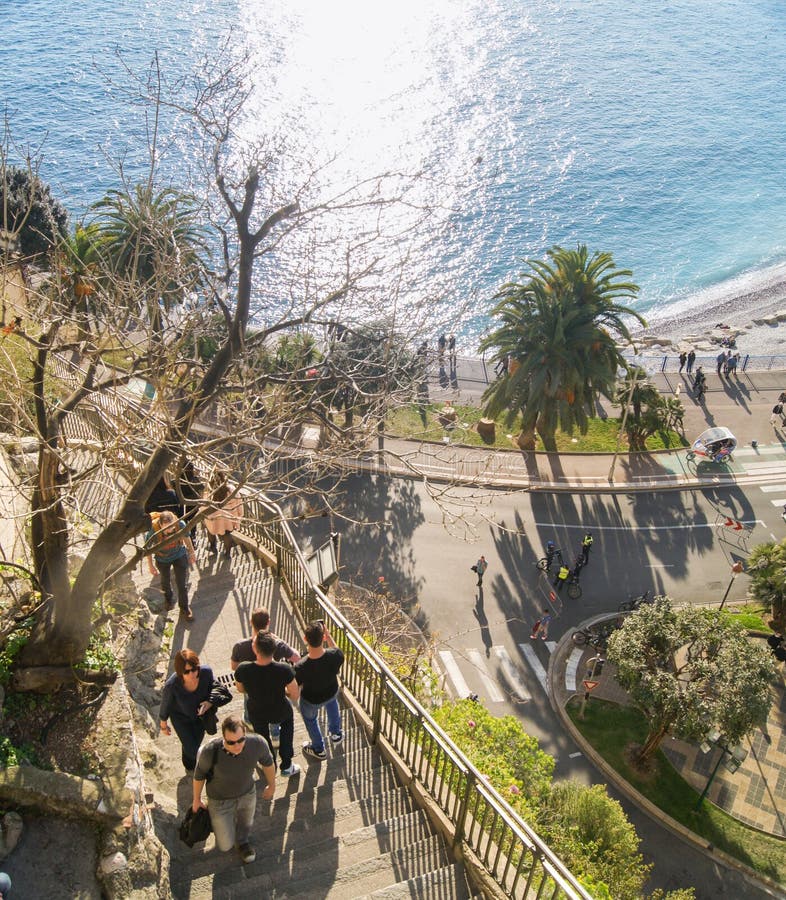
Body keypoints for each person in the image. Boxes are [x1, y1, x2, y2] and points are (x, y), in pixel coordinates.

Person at [192, 715, 276, 864]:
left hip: (247, 794)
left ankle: (243, 843)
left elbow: (268, 763)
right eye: (231, 742)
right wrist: (196, 799)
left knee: (245, 825)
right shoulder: (210, 751)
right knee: (225, 845)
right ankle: (220, 823)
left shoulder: (257, 743)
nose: (237, 746)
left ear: (245, 733)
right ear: (223, 738)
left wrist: (272, 785)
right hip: (219, 800)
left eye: (241, 740)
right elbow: (199, 776)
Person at [235, 632, 301, 777]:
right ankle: (287, 765)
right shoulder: (284, 669)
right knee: (287, 727)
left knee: (262, 737)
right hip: (280, 709)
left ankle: (269, 764)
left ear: (255, 649)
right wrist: (284, 692)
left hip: (257, 711)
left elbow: (240, 689)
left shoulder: (243, 669)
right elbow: (295, 695)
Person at [160, 649, 227, 773]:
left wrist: (209, 702)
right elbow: (165, 705)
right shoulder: (172, 686)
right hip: (181, 719)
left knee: (195, 742)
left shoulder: (206, 672)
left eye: (194, 669)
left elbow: (215, 688)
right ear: (180, 672)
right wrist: (164, 725)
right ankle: (197, 768)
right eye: (187, 671)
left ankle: (189, 761)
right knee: (192, 749)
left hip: (200, 717)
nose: (192, 674)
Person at [295, 621, 345, 761]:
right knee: (332, 704)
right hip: (330, 692)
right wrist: (328, 637)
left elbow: (295, 689)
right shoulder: (334, 655)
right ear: (323, 637)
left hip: (311, 700)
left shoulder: (300, 666)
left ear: (305, 639)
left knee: (311, 720)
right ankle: (336, 734)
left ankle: (318, 749)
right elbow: (337, 651)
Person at [146, 510, 196, 619]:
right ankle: (168, 599)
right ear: (160, 524)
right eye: (167, 528)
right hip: (162, 559)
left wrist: (192, 553)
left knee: (182, 584)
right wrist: (150, 565)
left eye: (172, 527)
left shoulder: (180, 525)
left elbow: (187, 538)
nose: (170, 530)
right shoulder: (153, 530)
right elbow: (147, 549)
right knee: (165, 581)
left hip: (179, 555)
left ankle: (184, 608)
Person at [230, 608, 301, 670]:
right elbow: (297, 658)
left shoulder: (239, 646)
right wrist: (279, 639)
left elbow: (234, 667)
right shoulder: (279, 645)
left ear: (251, 621)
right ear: (268, 622)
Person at [205, 472, 243, 557]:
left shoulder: (208, 491)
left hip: (213, 517)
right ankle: (228, 553)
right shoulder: (231, 489)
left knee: (211, 531)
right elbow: (238, 502)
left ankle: (213, 547)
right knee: (227, 534)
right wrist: (239, 515)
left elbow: (203, 506)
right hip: (227, 516)